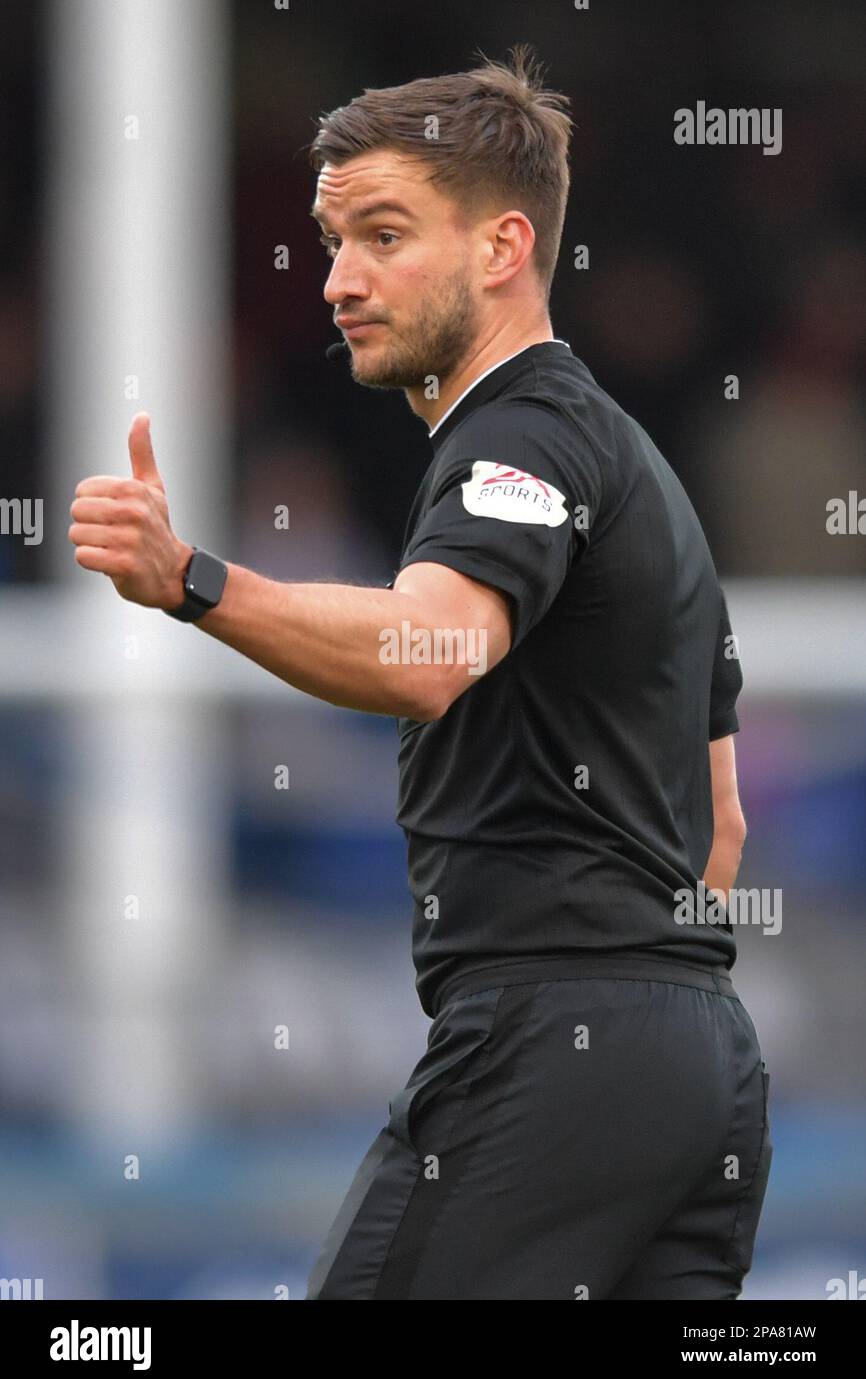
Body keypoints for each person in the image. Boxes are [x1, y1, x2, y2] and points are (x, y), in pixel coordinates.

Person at [67, 45, 772, 1300]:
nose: (338, 280)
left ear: (501, 248)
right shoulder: (639, 473)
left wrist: (191, 580)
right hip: (699, 1068)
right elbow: (715, 827)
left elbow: (431, 651)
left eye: (383, 236)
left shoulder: (518, 433)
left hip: (551, 1052)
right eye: (334, 240)